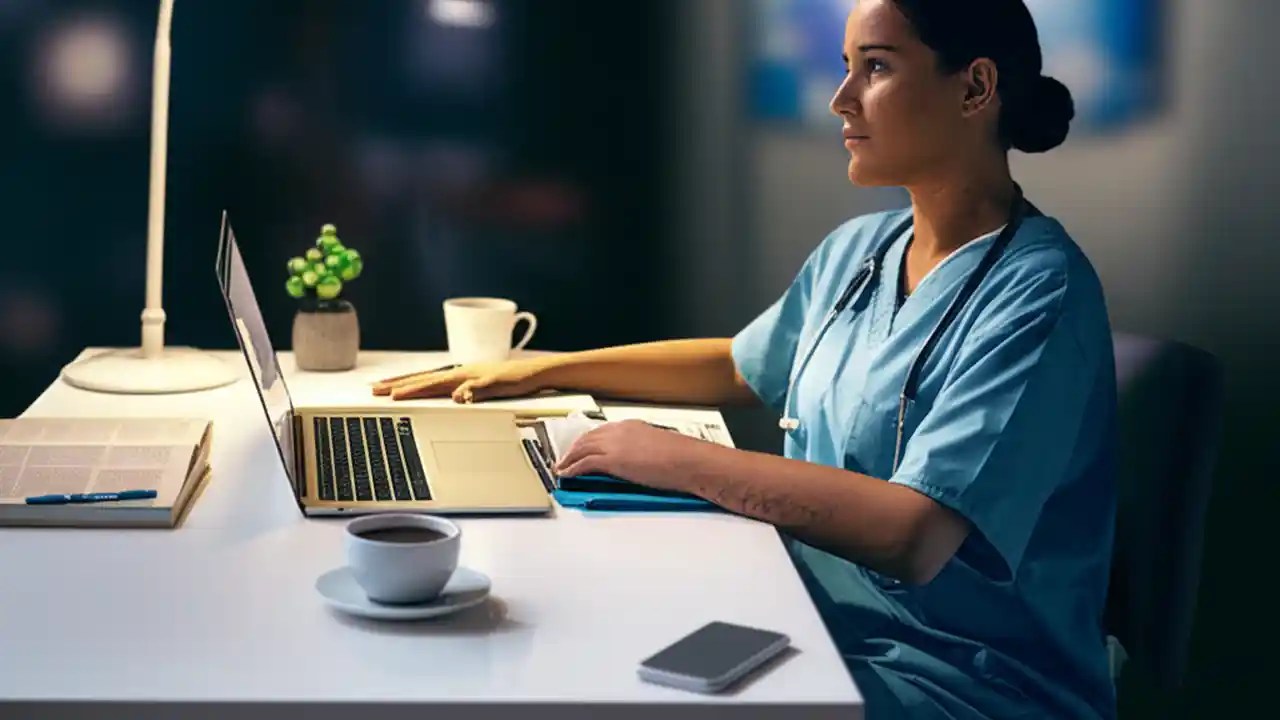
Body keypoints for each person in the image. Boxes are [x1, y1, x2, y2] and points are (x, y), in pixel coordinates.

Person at [373, 0, 1118, 717]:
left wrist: (668, 457)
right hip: (809, 620)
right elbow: (740, 364)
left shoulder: (1041, 292)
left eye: (877, 68)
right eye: (846, 66)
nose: (841, 99)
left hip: (961, 678)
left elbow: (913, 535)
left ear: (976, 87)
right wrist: (547, 369)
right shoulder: (863, 249)